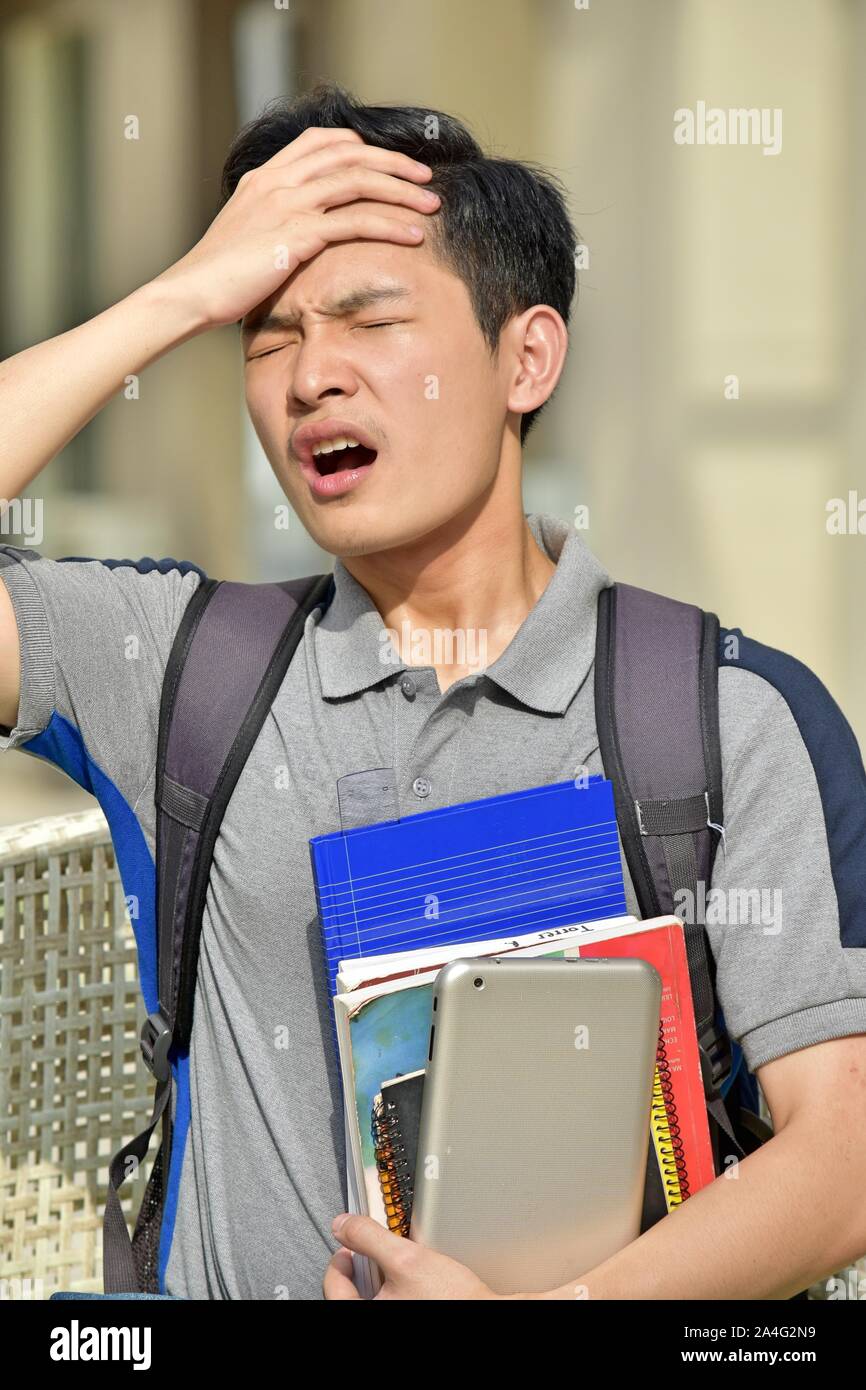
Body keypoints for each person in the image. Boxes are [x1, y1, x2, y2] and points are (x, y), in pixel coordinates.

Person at [1, 83, 865, 1302]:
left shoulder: (724, 718)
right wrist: (180, 290)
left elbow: (840, 1155)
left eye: (367, 318)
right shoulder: (179, 665)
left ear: (527, 357)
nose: (311, 378)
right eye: (267, 333)